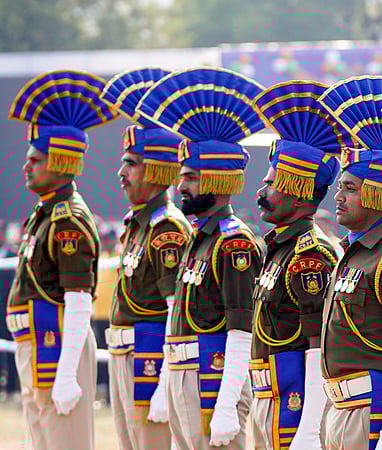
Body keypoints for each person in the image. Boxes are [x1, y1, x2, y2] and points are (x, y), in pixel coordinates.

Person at [137, 68, 266, 449]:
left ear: (217, 180)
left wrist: (227, 404)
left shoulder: (234, 243)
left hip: (210, 379)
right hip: (182, 373)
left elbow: (241, 331)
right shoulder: (199, 238)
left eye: (191, 177)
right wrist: (165, 383)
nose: (181, 185)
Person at [6, 70, 118, 449]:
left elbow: (78, 299)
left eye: (36, 159)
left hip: (56, 345)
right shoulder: (46, 213)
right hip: (35, 342)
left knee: (64, 443)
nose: (27, 166)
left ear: (60, 161)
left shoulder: (68, 218)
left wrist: (67, 372)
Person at [317, 75, 382, 450]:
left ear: (377, 192)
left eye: (350, 188)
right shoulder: (353, 253)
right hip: (338, 405)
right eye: (340, 187)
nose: (338, 197)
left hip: (373, 408)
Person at [246, 80, 343, 450]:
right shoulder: (279, 247)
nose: (260, 192)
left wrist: (308, 427)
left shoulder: (310, 255)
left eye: (271, 184)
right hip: (267, 398)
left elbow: (318, 347)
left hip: (293, 404)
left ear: (297, 187)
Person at [100, 68, 192, 450]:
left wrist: (164, 384)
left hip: (150, 355)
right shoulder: (137, 223)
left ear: (156, 168)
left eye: (132, 163)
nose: (121, 173)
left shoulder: (167, 228)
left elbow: (176, 313)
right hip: (124, 350)